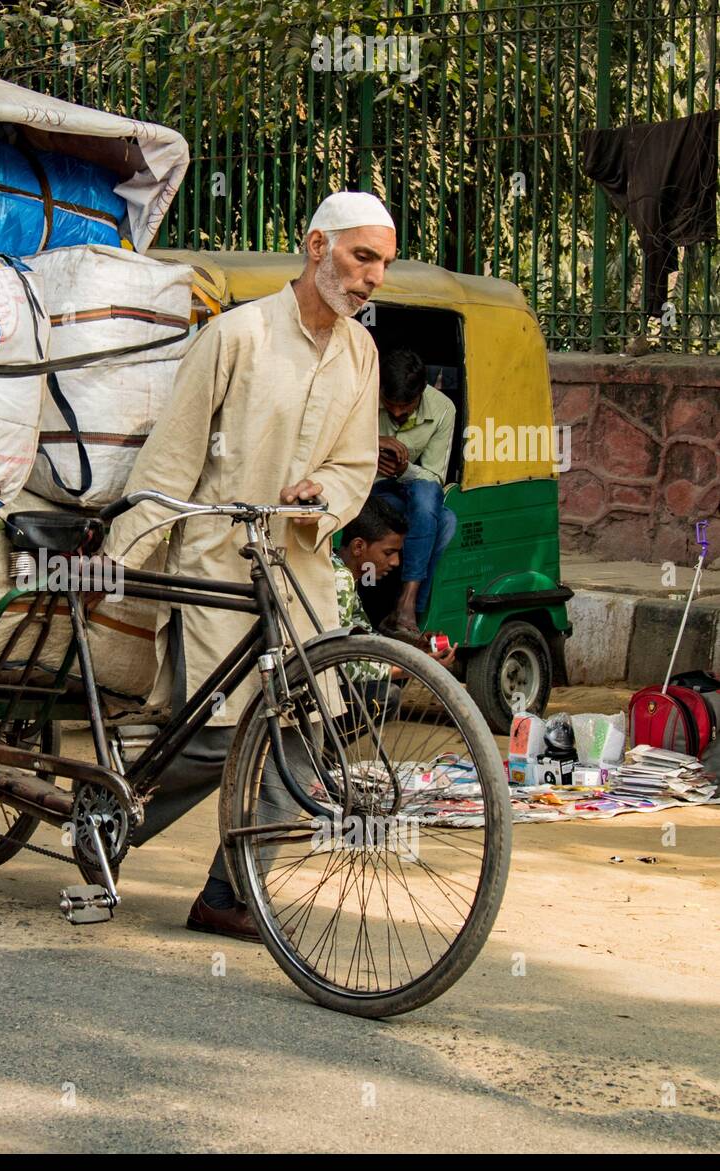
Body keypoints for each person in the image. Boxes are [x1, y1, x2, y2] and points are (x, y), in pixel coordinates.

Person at [103, 190, 397, 942]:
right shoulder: (238, 337)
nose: (373, 278)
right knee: (213, 730)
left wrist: (320, 493)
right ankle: (109, 819)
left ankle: (231, 894)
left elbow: (355, 463)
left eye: (383, 264)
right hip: (215, 562)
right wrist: (120, 560)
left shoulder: (361, 354)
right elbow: (170, 456)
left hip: (297, 566)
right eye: (363, 256)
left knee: (303, 728)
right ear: (315, 246)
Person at [331, 495, 456, 737]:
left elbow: (364, 639)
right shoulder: (341, 580)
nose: (396, 561)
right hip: (315, 690)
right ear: (358, 547)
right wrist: (412, 668)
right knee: (386, 697)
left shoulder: (344, 572)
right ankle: (321, 754)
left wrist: (413, 647)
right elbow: (342, 666)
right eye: (389, 552)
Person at [370, 347, 457, 637]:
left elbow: (434, 475)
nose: (396, 413)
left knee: (430, 500)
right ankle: (411, 610)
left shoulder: (443, 408)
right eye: (390, 404)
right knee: (444, 523)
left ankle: (405, 604)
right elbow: (333, 440)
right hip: (369, 488)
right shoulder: (363, 393)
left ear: (422, 393)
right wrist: (373, 443)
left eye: (405, 406)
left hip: (411, 486)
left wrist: (404, 469)